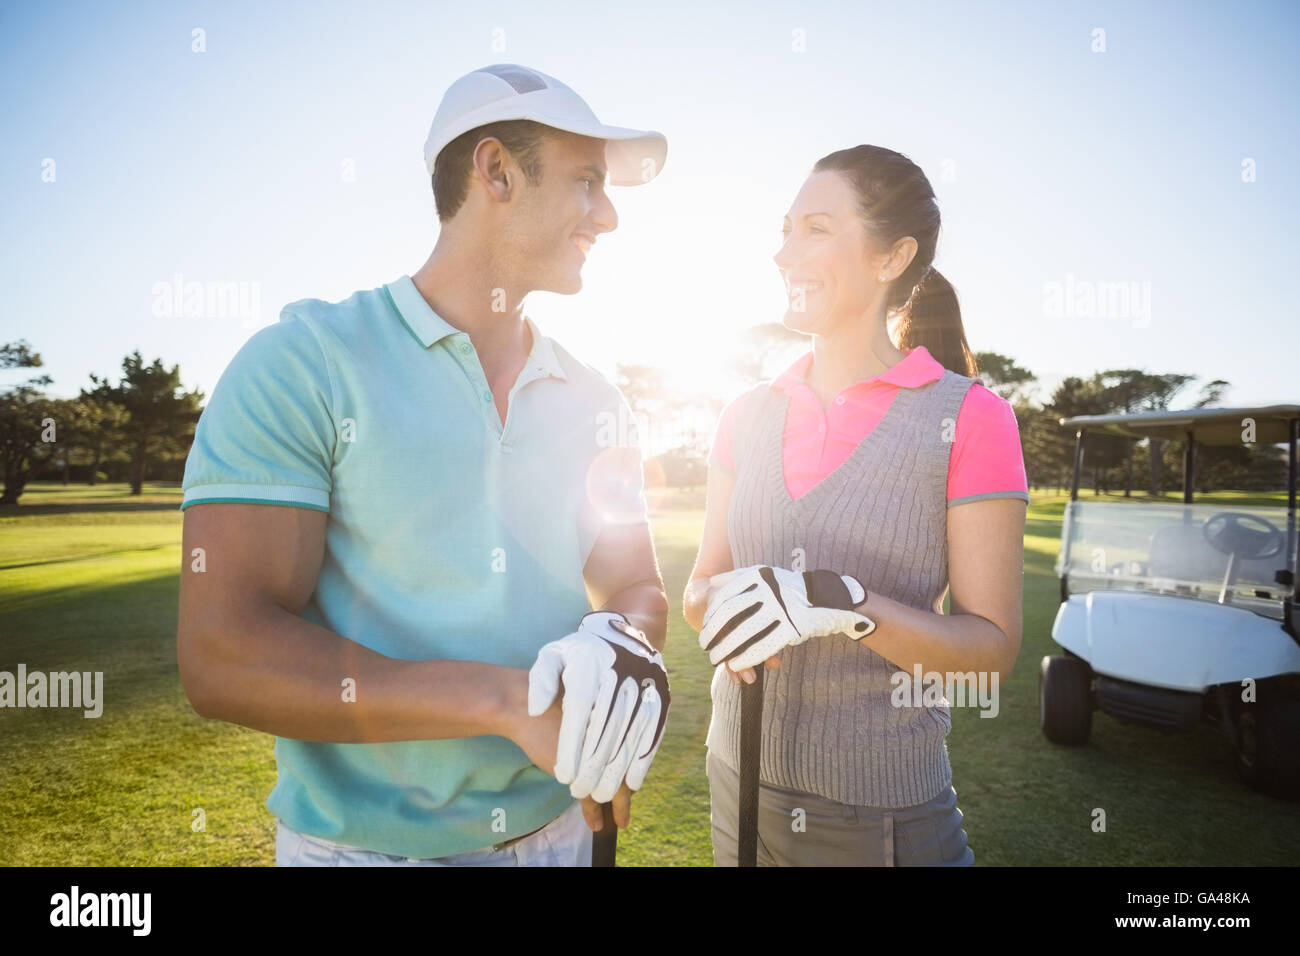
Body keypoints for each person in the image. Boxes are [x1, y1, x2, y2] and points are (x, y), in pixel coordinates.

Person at [176, 63, 671, 867]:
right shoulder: (304, 364)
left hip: (563, 837)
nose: (607, 216)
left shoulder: (596, 399)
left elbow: (635, 586)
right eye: (587, 182)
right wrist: (506, 702)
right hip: (361, 853)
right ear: (496, 171)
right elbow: (225, 652)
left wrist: (621, 645)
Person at [683, 145, 1029, 866]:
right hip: (736, 784)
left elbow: (989, 655)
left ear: (891, 255)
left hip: (883, 816)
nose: (784, 253)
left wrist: (843, 603)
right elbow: (700, 585)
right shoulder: (745, 412)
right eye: (784, 229)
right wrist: (724, 607)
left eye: (815, 228)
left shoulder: (970, 418)